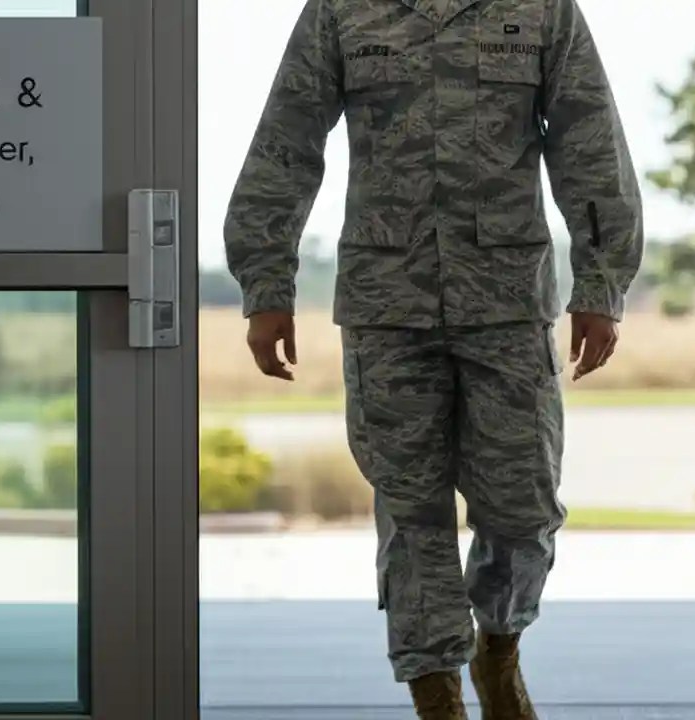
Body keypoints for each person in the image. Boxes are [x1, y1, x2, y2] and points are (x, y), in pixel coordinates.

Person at [223, 0, 643, 717]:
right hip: (387, 306)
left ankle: (498, 648)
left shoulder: (542, 9)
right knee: (411, 513)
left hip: (507, 304)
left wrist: (601, 285)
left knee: (524, 510)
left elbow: (590, 141)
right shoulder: (341, 11)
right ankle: (436, 694)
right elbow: (286, 143)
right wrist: (266, 285)